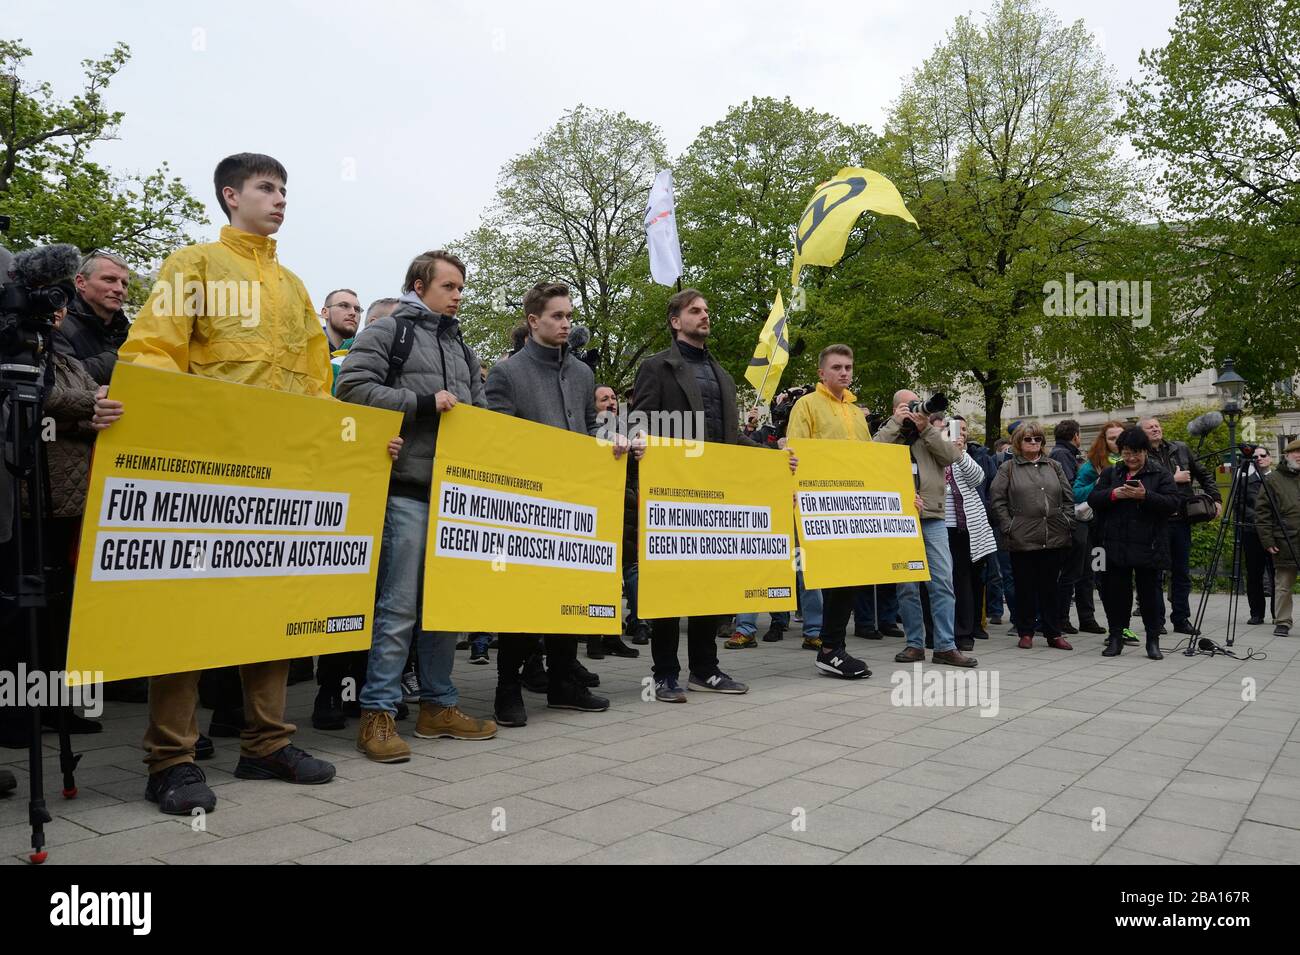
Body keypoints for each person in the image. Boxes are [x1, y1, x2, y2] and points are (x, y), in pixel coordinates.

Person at [106, 153, 358, 812]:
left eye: (284, 189)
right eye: (266, 188)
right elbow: (152, 353)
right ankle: (171, 759)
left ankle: (266, 744)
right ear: (230, 195)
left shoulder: (294, 286)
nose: (279, 200)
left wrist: (354, 442)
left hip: (279, 481)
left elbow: (313, 384)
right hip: (204, 474)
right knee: (187, 616)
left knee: (269, 612)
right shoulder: (192, 265)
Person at [336, 248, 497, 761]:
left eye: (461, 289)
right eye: (449, 287)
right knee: (398, 608)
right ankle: (378, 714)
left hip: (454, 499)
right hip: (404, 491)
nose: (457, 297)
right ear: (418, 285)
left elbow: (481, 414)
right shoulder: (388, 333)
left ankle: (437, 707)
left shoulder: (463, 348)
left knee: (445, 608)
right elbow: (352, 391)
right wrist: (422, 404)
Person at [486, 282, 642, 726]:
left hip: (578, 502)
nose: (566, 323)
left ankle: (562, 685)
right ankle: (507, 688)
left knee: (569, 597)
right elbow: (498, 438)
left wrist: (610, 438)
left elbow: (591, 426)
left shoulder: (581, 374)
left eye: (569, 316)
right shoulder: (508, 373)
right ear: (533, 321)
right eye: (556, 316)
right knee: (524, 601)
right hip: (529, 505)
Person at [631, 288, 792, 701]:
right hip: (672, 495)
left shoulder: (722, 375)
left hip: (714, 496)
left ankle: (705, 668)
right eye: (695, 311)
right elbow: (642, 424)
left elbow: (728, 437)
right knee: (669, 584)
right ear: (675, 321)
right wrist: (644, 446)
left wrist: (770, 457)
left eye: (706, 311)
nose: (704, 316)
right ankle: (664, 673)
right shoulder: (656, 368)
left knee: (710, 582)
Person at [783, 344, 876, 677]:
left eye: (848, 367)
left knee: (849, 577)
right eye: (837, 367)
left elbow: (868, 460)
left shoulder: (855, 413)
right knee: (831, 576)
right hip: (820, 505)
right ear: (821, 373)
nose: (844, 373)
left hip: (853, 506)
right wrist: (794, 495)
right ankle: (830, 648)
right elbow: (794, 454)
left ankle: (832, 648)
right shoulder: (806, 406)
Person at [874, 391, 977, 667]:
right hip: (900, 519)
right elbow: (871, 453)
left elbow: (952, 456)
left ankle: (945, 645)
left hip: (933, 515)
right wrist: (897, 423)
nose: (917, 409)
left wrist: (925, 427)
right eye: (910, 405)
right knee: (907, 586)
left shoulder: (932, 431)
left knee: (942, 581)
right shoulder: (888, 430)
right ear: (897, 408)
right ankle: (914, 644)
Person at [1088, 427, 1181, 658]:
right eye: (1126, 453)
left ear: (1145, 452)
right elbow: (1093, 499)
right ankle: (1116, 637)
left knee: (1149, 595)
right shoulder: (1112, 473)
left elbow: (1173, 504)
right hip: (1115, 545)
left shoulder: (1160, 474)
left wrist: (1145, 496)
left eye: (1136, 453)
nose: (1130, 458)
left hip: (1149, 545)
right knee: (1116, 594)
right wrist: (1113, 494)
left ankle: (1152, 640)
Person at [988, 421, 1075, 650]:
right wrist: (1009, 526)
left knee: (1050, 587)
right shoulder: (1008, 468)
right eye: (1028, 439)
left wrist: (1066, 521)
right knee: (1024, 587)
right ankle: (1025, 631)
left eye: (1037, 439)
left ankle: (1053, 632)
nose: (1034, 443)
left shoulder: (1054, 465)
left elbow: (1068, 497)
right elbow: (997, 500)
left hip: (1053, 534)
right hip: (1022, 537)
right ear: (1019, 442)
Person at [1140, 416, 1222, 635]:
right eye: (1150, 427)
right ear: (1142, 433)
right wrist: (1172, 478)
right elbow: (1143, 485)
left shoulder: (1181, 449)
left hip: (1181, 519)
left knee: (1181, 573)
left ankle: (1181, 619)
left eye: (1157, 425)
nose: (1156, 429)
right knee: (1156, 573)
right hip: (1156, 521)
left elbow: (1204, 474)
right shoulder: (1140, 454)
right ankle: (1156, 621)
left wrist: (1216, 499)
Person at [587, 383, 640, 661]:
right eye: (603, 398)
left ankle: (612, 636)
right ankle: (594, 639)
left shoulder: (628, 431)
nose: (611, 402)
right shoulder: (589, 432)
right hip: (598, 509)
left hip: (626, 511)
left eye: (613, 398)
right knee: (600, 575)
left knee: (618, 573)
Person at [944, 417, 998, 653]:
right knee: (942, 582)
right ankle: (940, 631)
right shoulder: (932, 451)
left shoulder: (963, 456)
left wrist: (959, 453)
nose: (960, 434)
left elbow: (977, 479)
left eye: (963, 431)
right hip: (939, 523)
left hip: (964, 527)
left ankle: (964, 632)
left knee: (964, 580)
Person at [1049, 420, 1103, 634]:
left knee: (1085, 571)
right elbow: (1071, 489)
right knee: (1074, 571)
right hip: (1074, 519)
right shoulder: (1063, 455)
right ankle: (1063, 618)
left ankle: (1085, 618)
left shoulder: (1064, 453)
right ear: (1075, 436)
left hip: (1079, 519)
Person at [54, 250, 132, 386]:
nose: (119, 289)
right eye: (109, 280)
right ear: (81, 282)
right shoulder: (57, 323)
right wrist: (122, 357)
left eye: (124, 284)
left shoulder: (132, 334)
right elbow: (64, 379)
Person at [1255, 439, 1300, 637]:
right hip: (1285, 539)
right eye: (1295, 452)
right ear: (1286, 455)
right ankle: (1282, 621)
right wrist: (1268, 540)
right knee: (1283, 584)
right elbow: (1262, 512)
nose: (1299, 456)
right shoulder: (1273, 479)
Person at [1241, 447, 1275, 626]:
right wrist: (1258, 519)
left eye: (1263, 455)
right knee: (1254, 574)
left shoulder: (1279, 481)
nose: (1259, 458)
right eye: (1255, 457)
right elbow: (1239, 506)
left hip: (1276, 533)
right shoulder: (1245, 482)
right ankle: (1257, 613)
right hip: (1252, 532)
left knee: (1277, 574)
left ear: (1270, 458)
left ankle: (1278, 614)